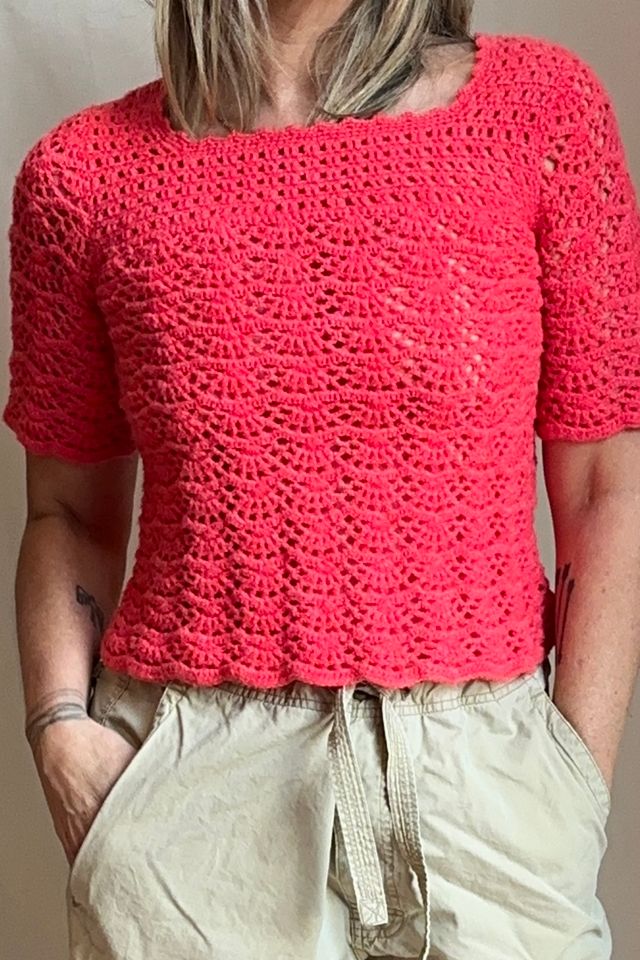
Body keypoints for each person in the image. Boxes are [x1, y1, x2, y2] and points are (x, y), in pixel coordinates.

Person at [3, 0, 640, 957]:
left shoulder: (540, 117)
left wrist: (572, 783)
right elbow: (67, 513)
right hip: (193, 804)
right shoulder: (84, 178)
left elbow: (603, 489)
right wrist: (59, 731)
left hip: (490, 791)